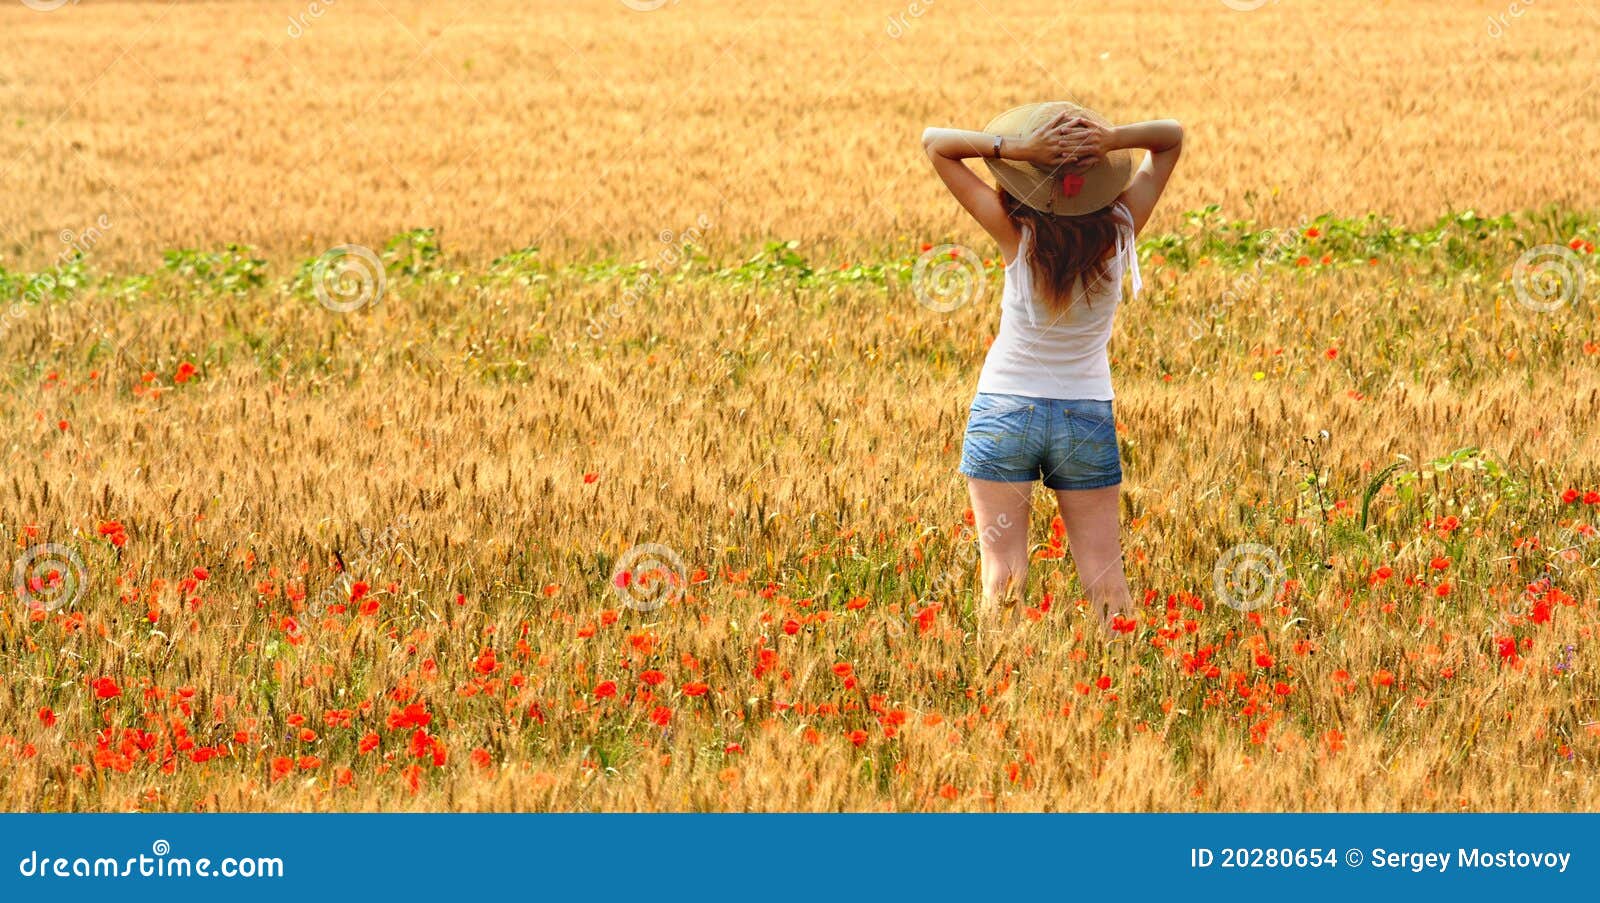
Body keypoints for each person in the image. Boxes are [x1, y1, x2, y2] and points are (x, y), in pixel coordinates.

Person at [921, 102, 1183, 630]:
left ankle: (997, 694)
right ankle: (1122, 689)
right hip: (1084, 416)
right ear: (1099, 180)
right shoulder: (1122, 230)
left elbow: (935, 143)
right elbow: (1171, 137)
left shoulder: (1014, 233)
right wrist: (1106, 140)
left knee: (1002, 574)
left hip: (1004, 412)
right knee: (1105, 578)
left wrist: (1017, 149)